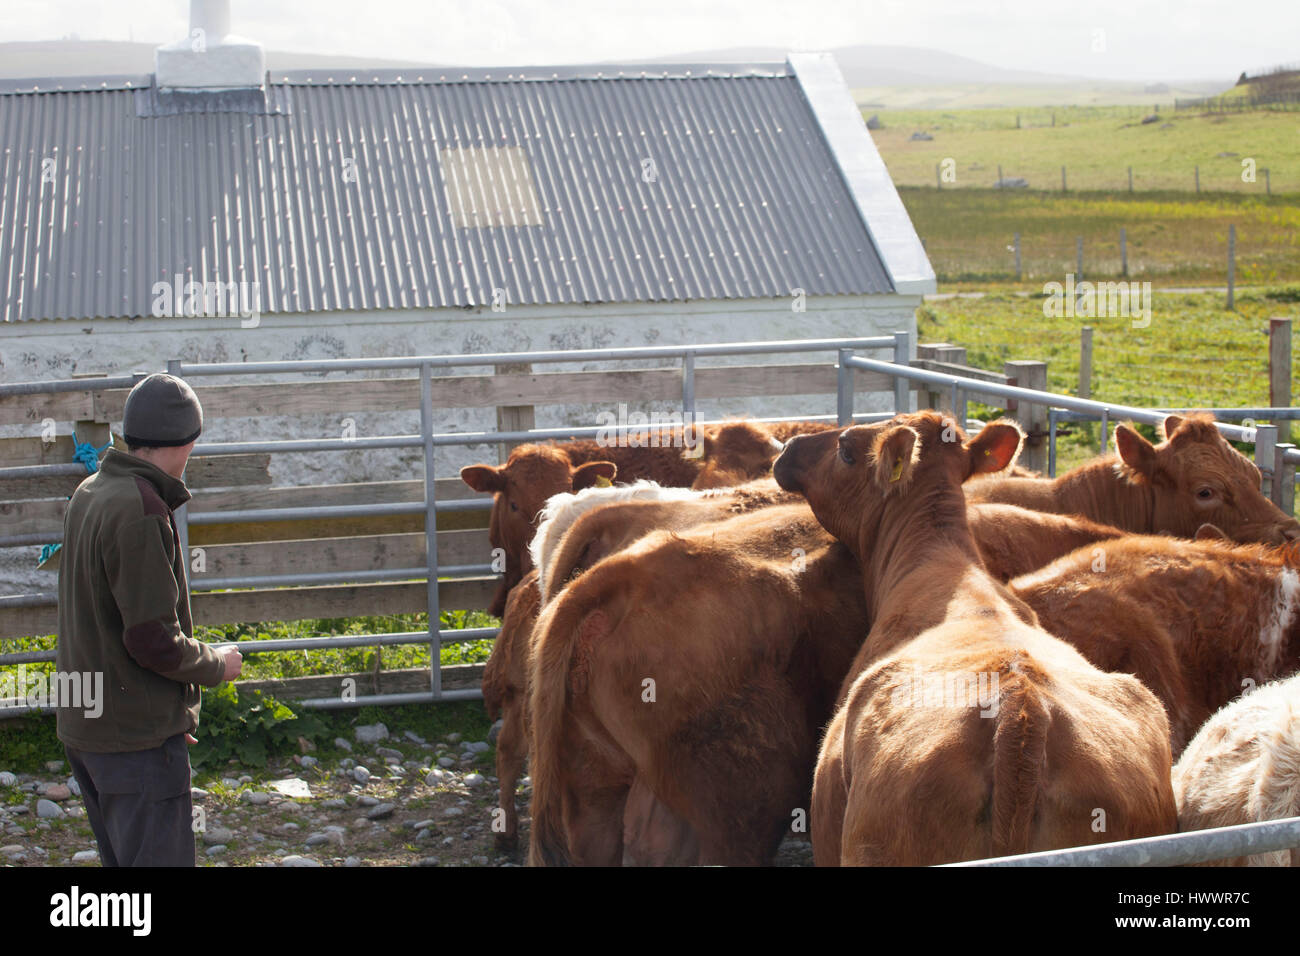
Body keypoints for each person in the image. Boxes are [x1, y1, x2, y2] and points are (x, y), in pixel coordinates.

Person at [56, 372, 242, 867]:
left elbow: (103, 618)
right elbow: (151, 640)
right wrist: (215, 666)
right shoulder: (139, 509)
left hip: (92, 725)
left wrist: (168, 714)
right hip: (130, 738)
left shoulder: (92, 491)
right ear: (189, 442)